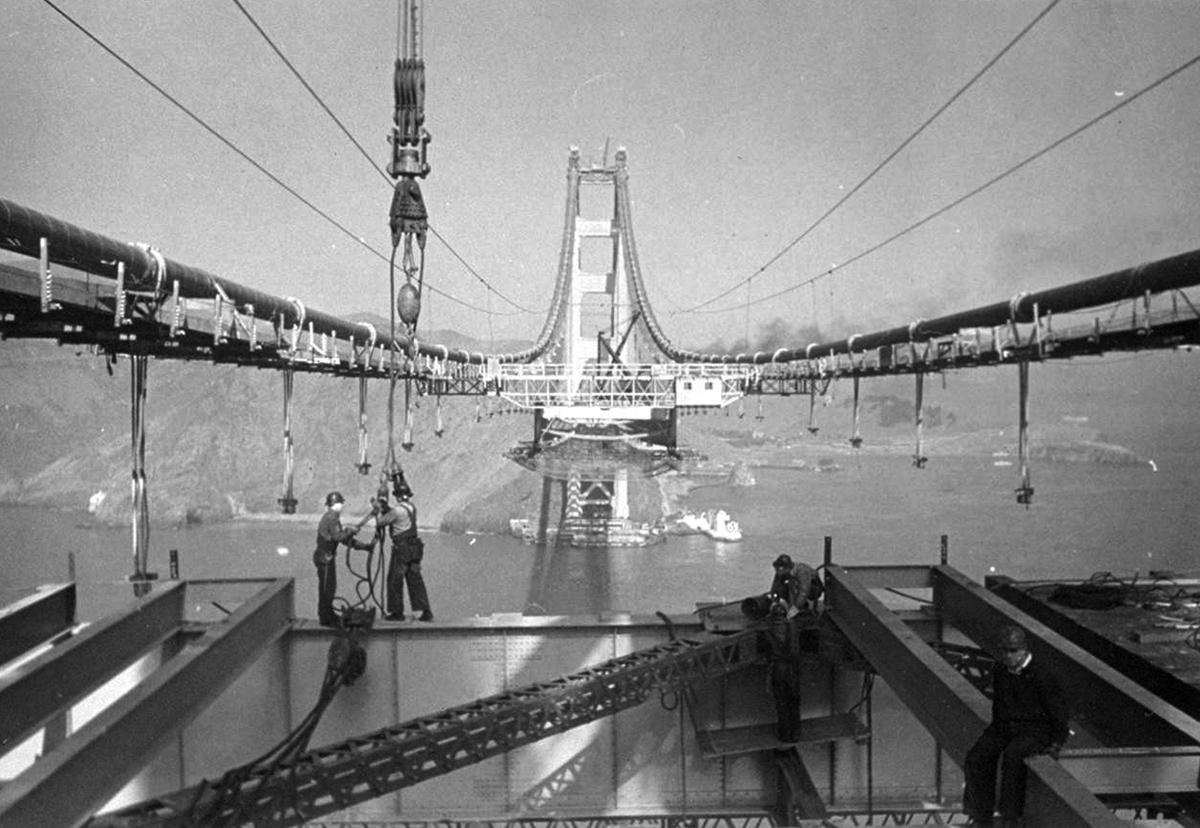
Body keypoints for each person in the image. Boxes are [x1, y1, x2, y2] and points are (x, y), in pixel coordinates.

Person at [963, 625, 1070, 827]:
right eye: (1005, 651)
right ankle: (981, 816)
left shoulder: (1042, 675)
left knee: (1013, 759)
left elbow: (1059, 714)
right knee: (977, 757)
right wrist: (994, 732)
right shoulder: (1001, 670)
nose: (1008, 656)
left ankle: (1010, 818)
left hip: (1035, 730)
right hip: (1006, 727)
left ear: (1024, 650)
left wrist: (1056, 743)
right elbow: (999, 705)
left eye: (1013, 651)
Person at [376, 475, 432, 622]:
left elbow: (381, 522)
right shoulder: (412, 508)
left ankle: (397, 612)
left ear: (398, 497)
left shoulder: (396, 511)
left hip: (401, 550)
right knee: (415, 580)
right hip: (415, 549)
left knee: (395, 580)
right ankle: (426, 611)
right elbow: (399, 515)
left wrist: (380, 507)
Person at [313, 491, 369, 627]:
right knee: (327, 589)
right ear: (334, 505)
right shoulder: (331, 518)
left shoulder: (334, 518)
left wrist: (362, 546)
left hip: (327, 557)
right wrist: (350, 531)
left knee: (329, 588)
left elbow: (342, 539)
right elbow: (338, 537)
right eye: (339, 504)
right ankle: (326, 617)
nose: (341, 507)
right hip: (324, 558)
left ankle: (328, 615)